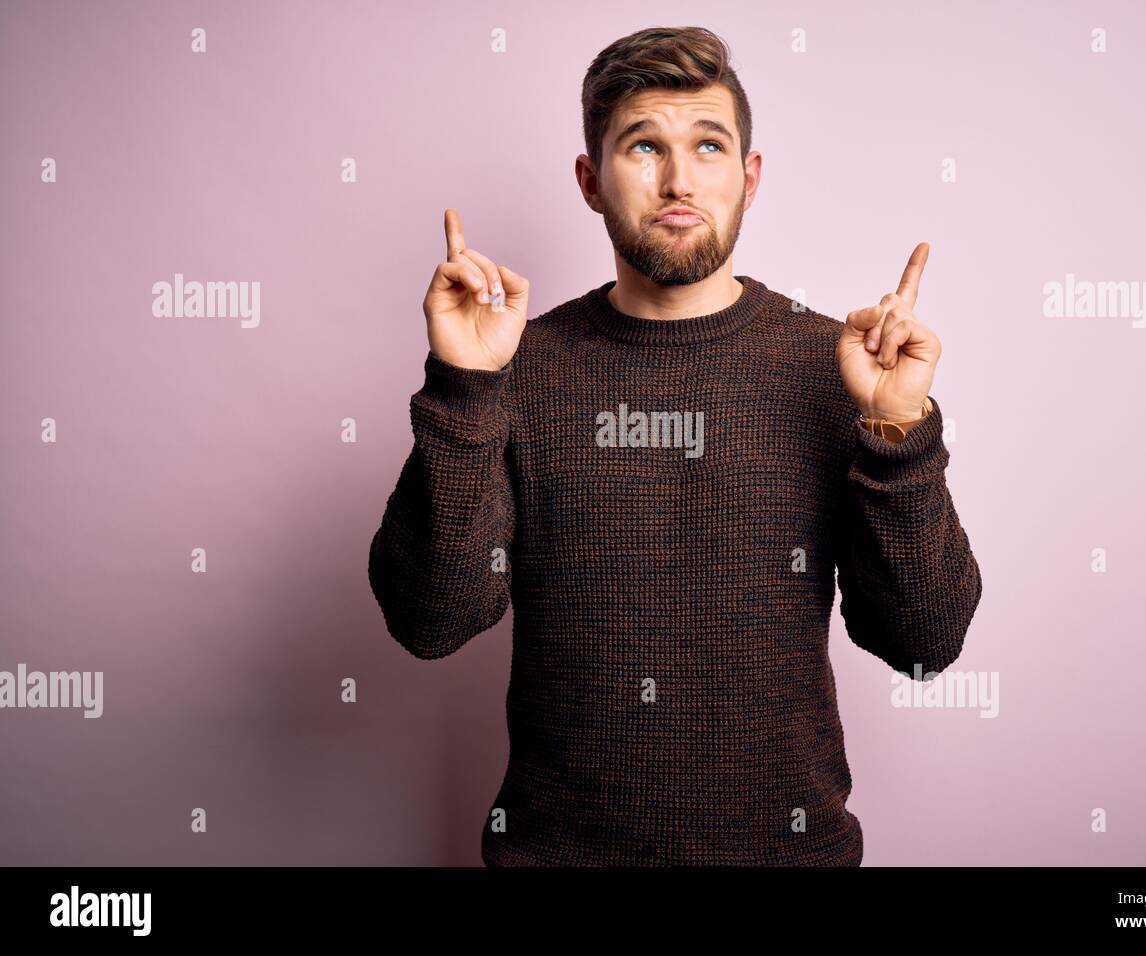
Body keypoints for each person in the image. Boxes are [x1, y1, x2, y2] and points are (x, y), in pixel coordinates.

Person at [367, 25, 982, 866]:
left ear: (749, 177)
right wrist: (465, 388)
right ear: (590, 181)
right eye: (644, 146)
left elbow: (925, 643)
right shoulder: (520, 368)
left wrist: (898, 436)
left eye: (708, 145)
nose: (679, 178)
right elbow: (430, 619)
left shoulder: (837, 369)